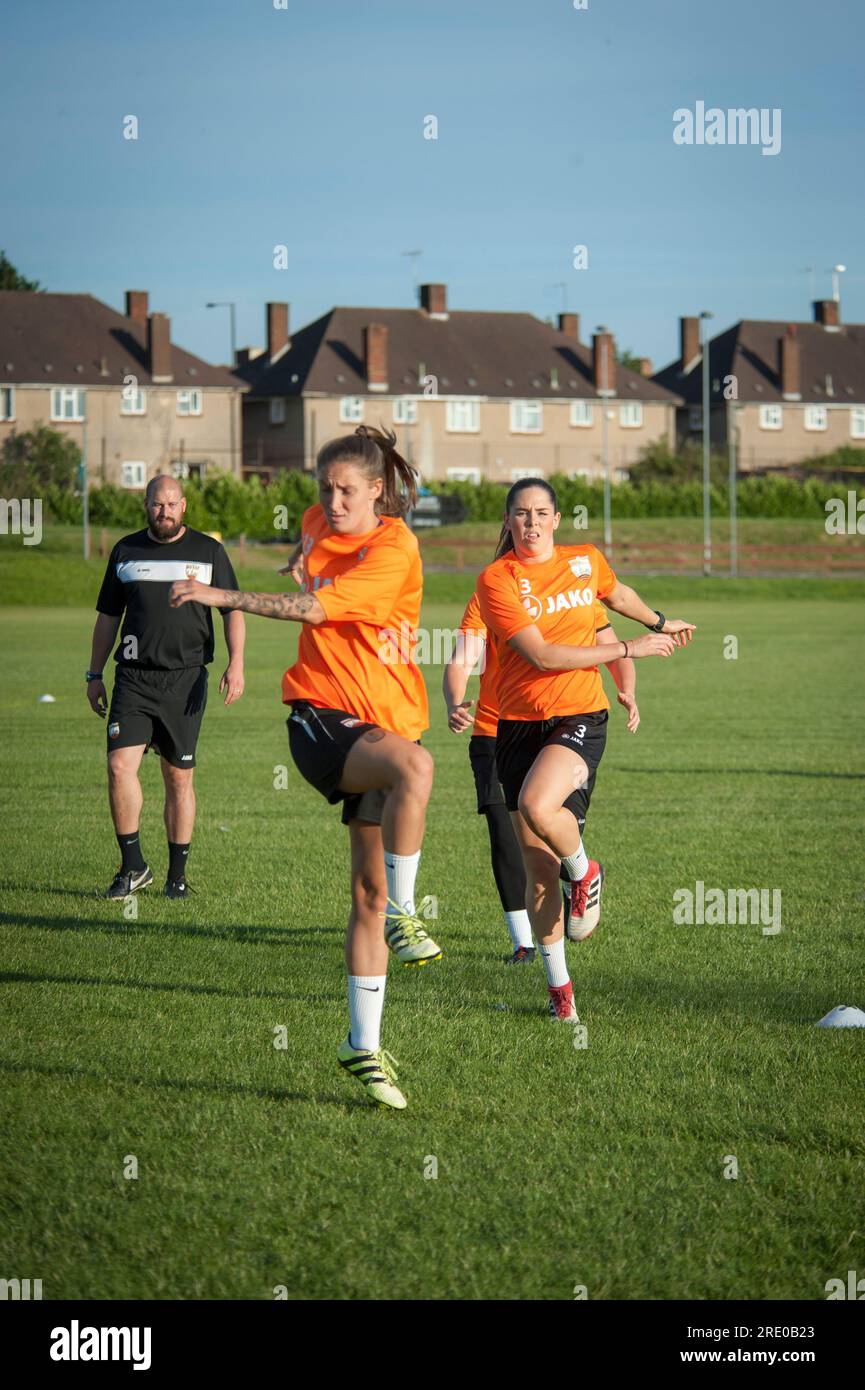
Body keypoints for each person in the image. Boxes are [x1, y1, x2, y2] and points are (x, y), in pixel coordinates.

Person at [169, 426, 438, 1112]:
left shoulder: (392, 547)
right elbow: (312, 551)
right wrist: (298, 551)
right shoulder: (323, 519)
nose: (331, 500)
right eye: (324, 489)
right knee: (415, 767)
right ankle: (412, 913)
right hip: (319, 717)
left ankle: (361, 1045)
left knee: (366, 898)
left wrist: (223, 596)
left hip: (382, 721)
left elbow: (315, 606)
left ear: (378, 491)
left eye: (348, 489)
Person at [476, 478, 695, 1022]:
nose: (530, 522)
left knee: (535, 804)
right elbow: (543, 655)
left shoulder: (585, 561)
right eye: (521, 514)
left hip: (578, 715)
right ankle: (560, 992)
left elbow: (616, 600)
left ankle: (587, 870)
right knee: (538, 868)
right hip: (517, 725)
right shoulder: (497, 580)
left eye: (541, 513)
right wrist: (632, 646)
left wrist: (658, 626)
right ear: (508, 522)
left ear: (556, 520)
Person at [443, 597, 638, 963]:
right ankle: (524, 944)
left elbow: (610, 648)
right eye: (513, 535)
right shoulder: (490, 594)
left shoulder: (572, 590)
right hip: (495, 731)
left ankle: (578, 876)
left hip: (562, 726)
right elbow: (462, 659)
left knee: (551, 842)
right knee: (505, 833)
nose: (524, 537)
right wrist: (454, 702)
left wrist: (626, 687)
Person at [87, 475, 245, 899]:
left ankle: (177, 879)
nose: (165, 512)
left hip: (186, 680)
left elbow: (232, 609)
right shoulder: (125, 550)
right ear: (146, 505)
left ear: (185, 506)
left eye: (172, 504)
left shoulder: (209, 552)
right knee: (120, 767)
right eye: (158, 505)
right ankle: (133, 866)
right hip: (133, 679)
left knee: (178, 779)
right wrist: (93, 673)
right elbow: (107, 617)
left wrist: (238, 664)